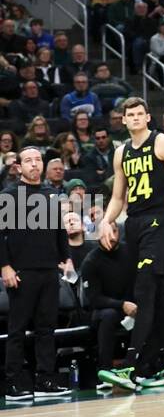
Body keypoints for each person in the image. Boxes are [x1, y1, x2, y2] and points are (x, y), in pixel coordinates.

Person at [96, 97, 164, 391]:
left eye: (140, 113)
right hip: (134, 223)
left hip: (159, 221)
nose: (136, 118)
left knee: (144, 290)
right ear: (123, 120)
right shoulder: (121, 153)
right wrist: (105, 221)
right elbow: (118, 197)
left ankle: (129, 366)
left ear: (147, 118)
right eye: (130, 114)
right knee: (153, 295)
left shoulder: (163, 142)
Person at [1, 147, 74, 400]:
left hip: (49, 270)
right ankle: (12, 383)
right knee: (17, 330)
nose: (34, 164)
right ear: (18, 167)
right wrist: (5, 266)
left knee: (47, 328)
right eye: (28, 161)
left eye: (37, 160)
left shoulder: (51, 194)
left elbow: (60, 231)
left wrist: (67, 258)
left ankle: (45, 380)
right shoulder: (9, 195)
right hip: (21, 272)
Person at [80, 225, 136, 388]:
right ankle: (105, 369)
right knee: (109, 314)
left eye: (114, 231)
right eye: (106, 232)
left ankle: (148, 367)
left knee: (154, 307)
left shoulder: (131, 253)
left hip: (132, 307)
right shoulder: (91, 261)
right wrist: (122, 305)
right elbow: (94, 299)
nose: (111, 236)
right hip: (102, 310)